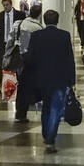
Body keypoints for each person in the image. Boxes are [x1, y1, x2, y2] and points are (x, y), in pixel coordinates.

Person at [23, 9, 75, 153]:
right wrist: (72, 80)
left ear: (44, 21)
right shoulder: (64, 36)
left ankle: (47, 134)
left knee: (46, 107)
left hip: (41, 78)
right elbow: (69, 59)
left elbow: (30, 58)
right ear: (57, 21)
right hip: (59, 78)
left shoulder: (36, 36)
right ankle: (50, 138)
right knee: (56, 109)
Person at [9, 2, 43, 123]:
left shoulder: (19, 24)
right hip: (31, 62)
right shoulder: (38, 28)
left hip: (19, 60)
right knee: (28, 88)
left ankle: (20, 112)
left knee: (21, 87)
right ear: (40, 14)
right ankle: (24, 111)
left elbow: (11, 40)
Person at [0, 0, 25, 95]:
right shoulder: (0, 16)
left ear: (11, 4)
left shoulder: (20, 15)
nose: (5, 7)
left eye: (7, 5)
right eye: (4, 5)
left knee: (16, 65)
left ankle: (17, 86)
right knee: (2, 66)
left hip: (15, 44)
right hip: (2, 44)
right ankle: (2, 87)